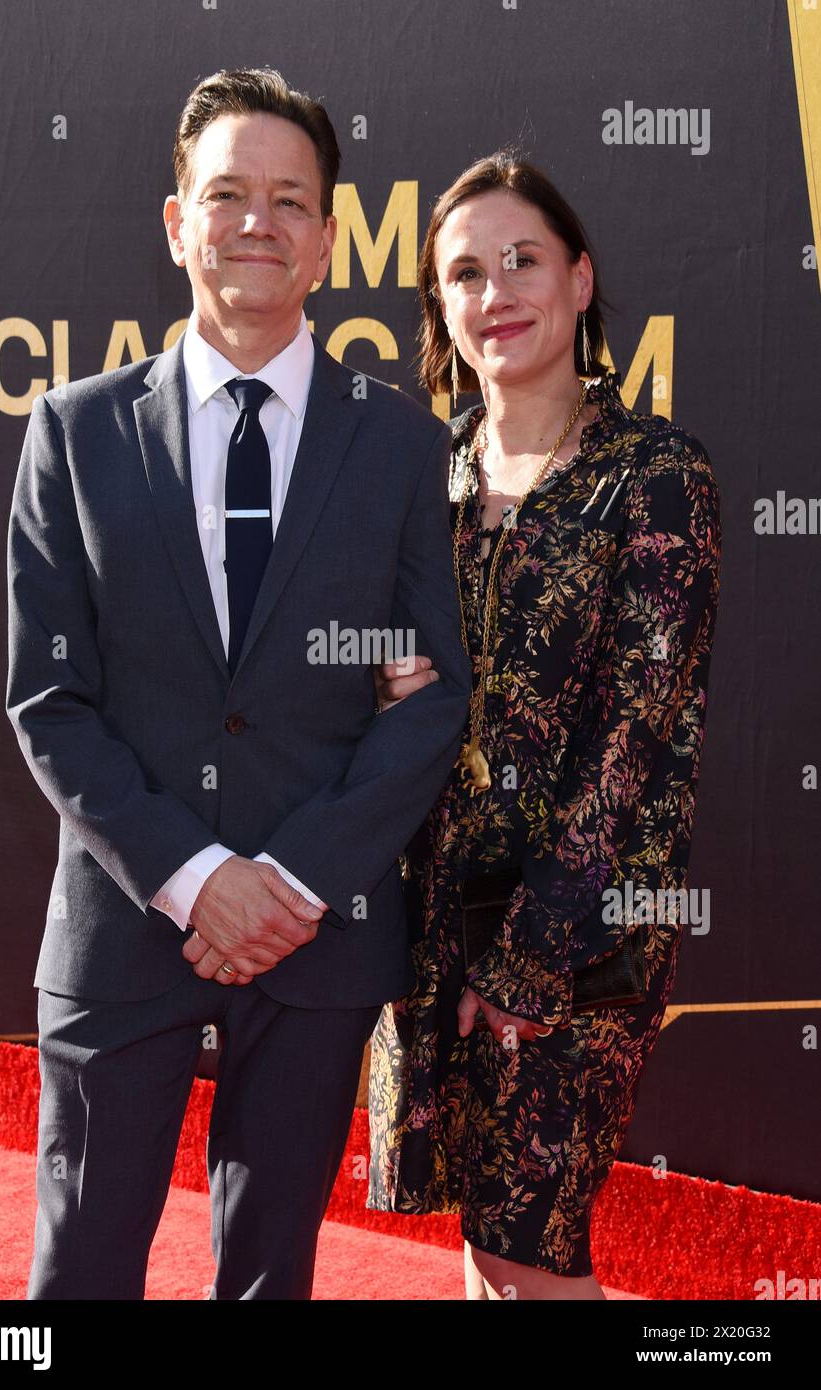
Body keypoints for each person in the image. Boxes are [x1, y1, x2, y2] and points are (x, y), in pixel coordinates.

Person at [6, 67, 471, 1301]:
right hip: (122, 927)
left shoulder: (404, 442)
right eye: (226, 194)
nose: (256, 222)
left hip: (319, 938)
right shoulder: (73, 429)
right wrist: (200, 879)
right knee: (80, 1277)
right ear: (177, 222)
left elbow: (430, 694)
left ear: (327, 236)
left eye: (288, 198)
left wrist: (294, 882)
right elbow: (49, 699)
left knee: (273, 1278)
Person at [366, 150, 722, 1300]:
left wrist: (527, 958)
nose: (495, 291)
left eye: (523, 260)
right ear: (441, 312)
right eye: (464, 273)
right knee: (483, 1244)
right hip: (427, 919)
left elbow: (637, 737)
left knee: (529, 1252)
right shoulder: (429, 477)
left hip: (580, 933)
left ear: (580, 279)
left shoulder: (657, 474)